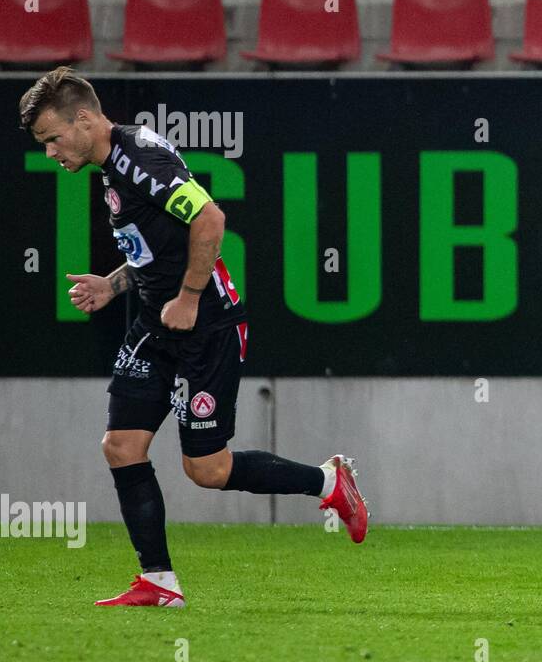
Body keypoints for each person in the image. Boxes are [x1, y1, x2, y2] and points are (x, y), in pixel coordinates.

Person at [20, 67, 369, 608]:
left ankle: (327, 483)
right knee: (121, 445)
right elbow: (157, 244)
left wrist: (186, 297)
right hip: (157, 321)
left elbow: (209, 219)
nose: (50, 153)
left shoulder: (137, 160)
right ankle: (159, 582)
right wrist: (114, 285)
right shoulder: (114, 161)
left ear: (83, 119)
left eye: (52, 139)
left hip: (206, 323)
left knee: (208, 469)